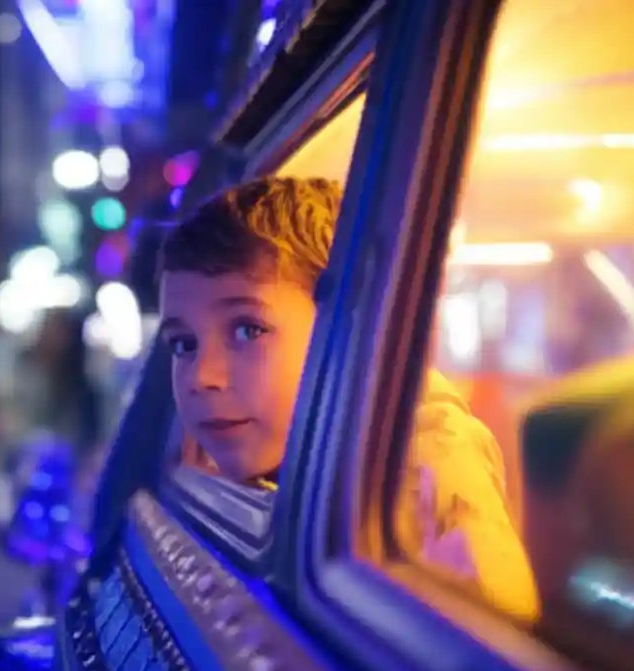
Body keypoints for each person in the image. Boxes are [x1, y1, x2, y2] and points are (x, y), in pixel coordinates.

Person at [157, 176, 538, 621]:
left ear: (348, 331)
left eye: (248, 330)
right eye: (184, 344)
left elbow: (489, 647)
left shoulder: (427, 458)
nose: (203, 376)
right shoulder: (274, 457)